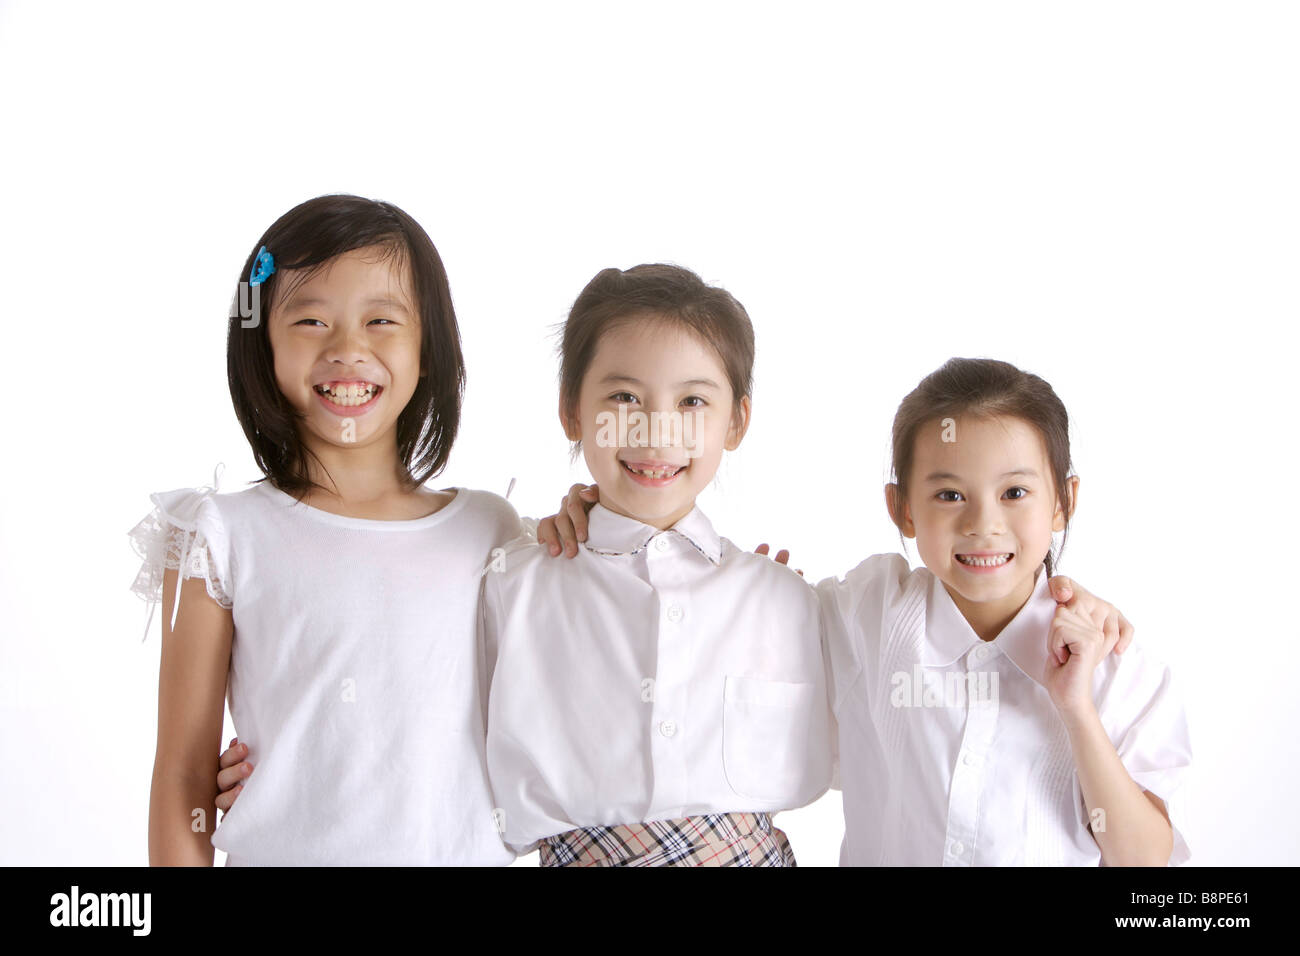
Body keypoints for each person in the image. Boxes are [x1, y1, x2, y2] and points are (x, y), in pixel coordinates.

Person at [129, 195, 521, 865]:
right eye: (311, 319)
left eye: (382, 320)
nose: (348, 348)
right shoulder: (219, 535)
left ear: (428, 347)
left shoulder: (491, 531)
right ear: (264, 342)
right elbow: (182, 779)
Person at [482, 263, 832, 866]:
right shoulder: (511, 587)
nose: (655, 428)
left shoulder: (785, 601)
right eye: (622, 397)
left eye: (692, 400)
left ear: (737, 421)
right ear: (571, 410)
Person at [817, 357, 1191, 865]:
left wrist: (1076, 708)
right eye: (949, 494)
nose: (983, 524)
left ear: (1063, 500)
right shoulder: (870, 613)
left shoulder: (1116, 666)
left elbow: (1143, 858)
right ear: (903, 508)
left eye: (1015, 492)